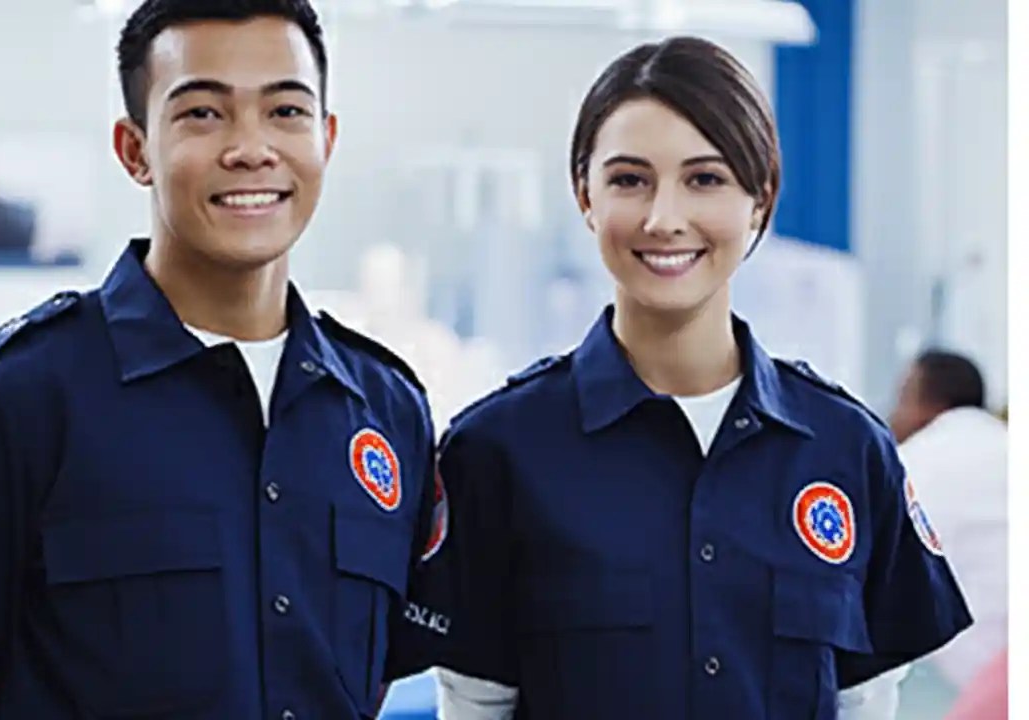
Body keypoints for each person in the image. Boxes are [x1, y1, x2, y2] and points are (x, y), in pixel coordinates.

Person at [0, 1, 437, 717]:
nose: (251, 148)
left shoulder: (387, 413)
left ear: (325, 138)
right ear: (135, 150)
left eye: (285, 112)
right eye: (202, 113)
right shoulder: (15, 397)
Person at [390, 37, 972, 720]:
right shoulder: (495, 449)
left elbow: (866, 707)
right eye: (630, 180)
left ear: (760, 201)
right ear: (585, 196)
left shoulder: (847, 449)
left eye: (706, 179)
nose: (665, 219)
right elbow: (475, 707)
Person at [888, 351, 1007, 690]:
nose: (892, 416)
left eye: (902, 399)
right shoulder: (1006, 446)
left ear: (928, 406)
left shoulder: (909, 464)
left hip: (962, 685)